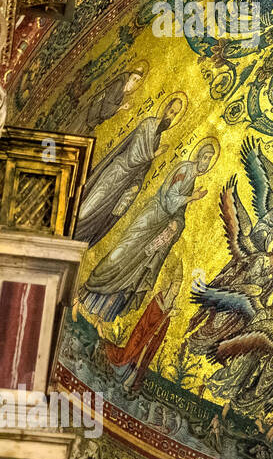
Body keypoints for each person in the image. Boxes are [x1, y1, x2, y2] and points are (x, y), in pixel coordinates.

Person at [80, 139, 217, 323]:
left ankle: (101, 313)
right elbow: (169, 199)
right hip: (151, 217)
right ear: (198, 157)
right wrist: (191, 197)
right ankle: (87, 290)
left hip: (159, 226)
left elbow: (178, 212)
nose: (207, 162)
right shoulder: (185, 170)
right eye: (205, 157)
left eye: (210, 159)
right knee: (122, 252)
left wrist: (177, 223)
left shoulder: (192, 180)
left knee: (136, 266)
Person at [75, 95, 185, 246]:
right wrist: (154, 154)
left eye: (175, 115)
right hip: (116, 173)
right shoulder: (148, 124)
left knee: (99, 218)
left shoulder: (157, 138)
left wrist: (136, 185)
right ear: (166, 108)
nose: (170, 117)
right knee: (85, 210)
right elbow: (133, 156)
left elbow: (142, 169)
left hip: (123, 185)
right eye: (171, 111)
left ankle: (75, 240)